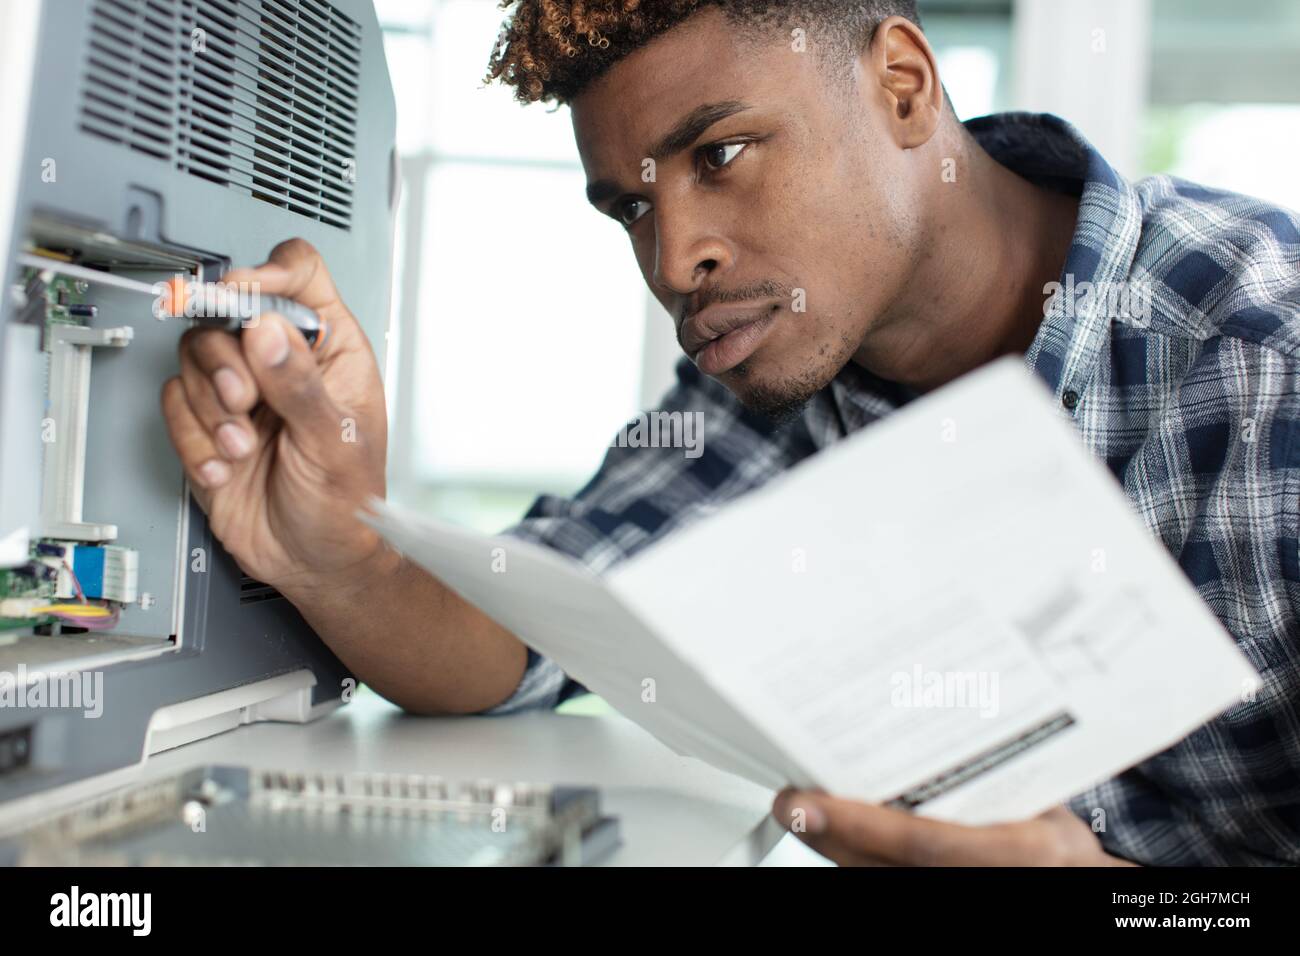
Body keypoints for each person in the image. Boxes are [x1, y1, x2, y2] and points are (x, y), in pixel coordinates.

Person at [160, 1, 1299, 865]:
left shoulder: (1264, 356)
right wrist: (336, 549)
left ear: (902, 86)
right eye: (634, 206)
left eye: (721, 155)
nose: (674, 261)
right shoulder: (779, 362)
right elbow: (522, 639)